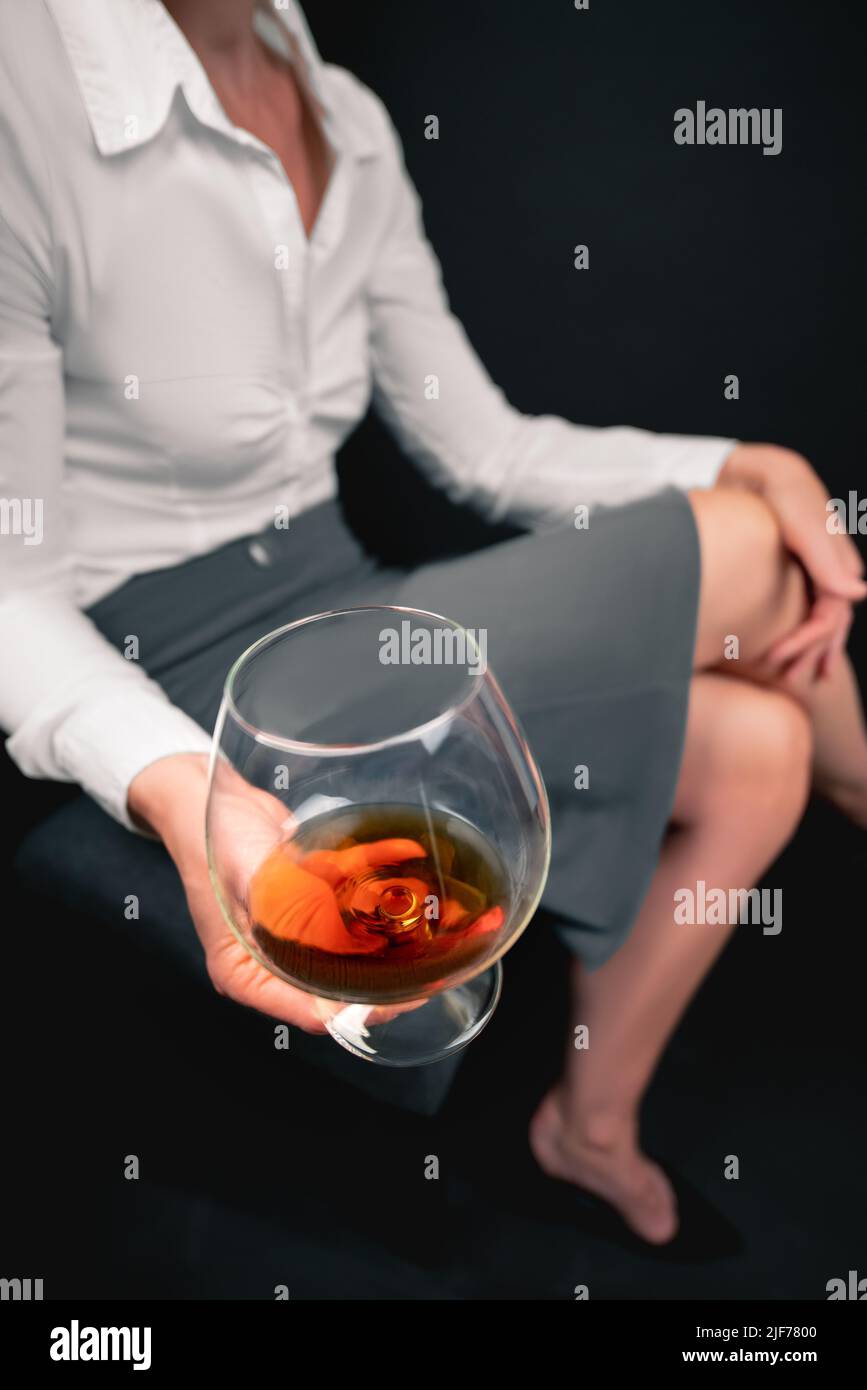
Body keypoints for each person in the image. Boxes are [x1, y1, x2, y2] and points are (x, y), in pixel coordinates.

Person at [1, 0, 866, 1247]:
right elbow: (12, 591)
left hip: (345, 604)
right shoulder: (24, 88)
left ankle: (588, 1127)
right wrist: (185, 787)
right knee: (749, 549)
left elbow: (485, 449)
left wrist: (741, 451)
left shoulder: (345, 117)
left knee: (761, 751)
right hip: (176, 675)